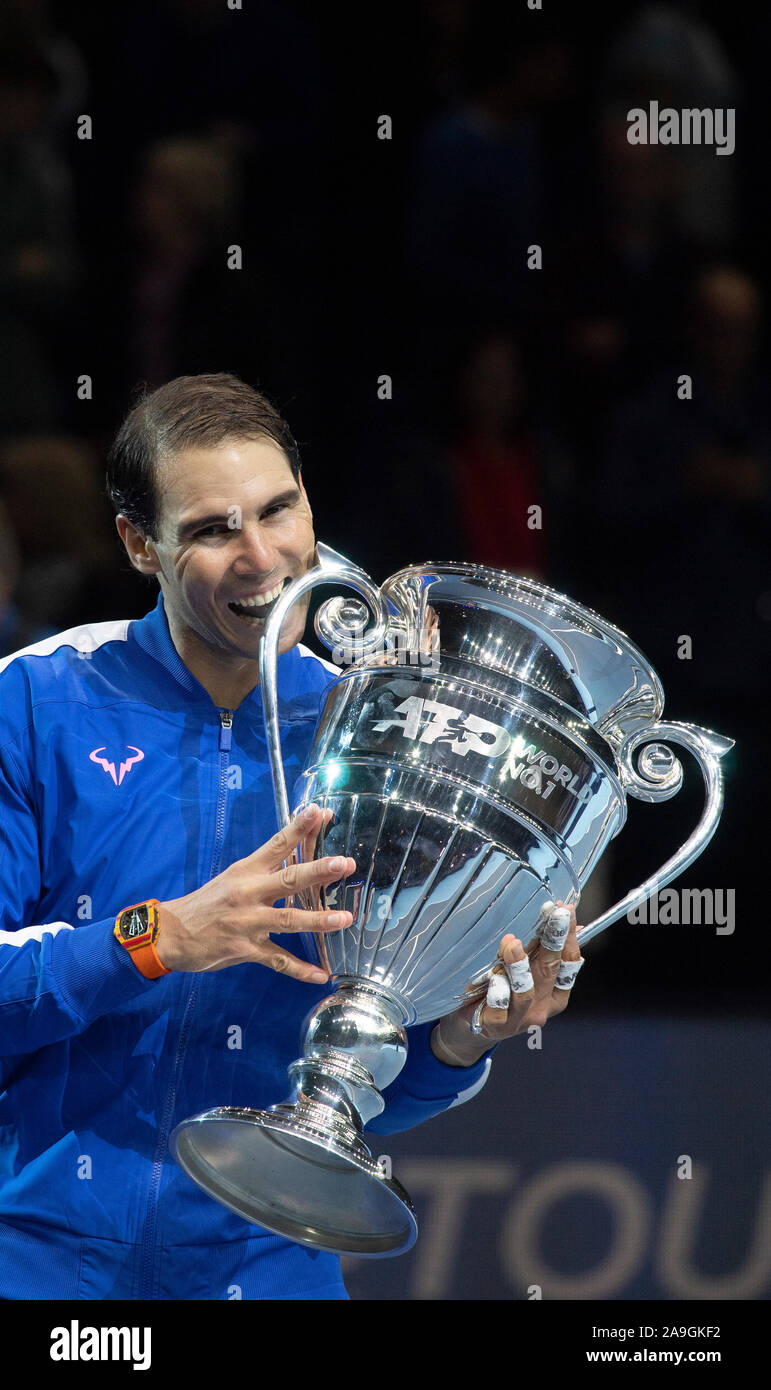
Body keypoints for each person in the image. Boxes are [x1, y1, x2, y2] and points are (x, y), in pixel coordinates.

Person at [0, 372, 583, 1301]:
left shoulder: (383, 730)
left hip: (269, 1268)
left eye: (280, 510)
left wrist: (463, 1039)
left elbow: (372, 1093)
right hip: (40, 1265)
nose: (262, 557)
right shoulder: (38, 700)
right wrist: (154, 940)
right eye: (212, 529)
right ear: (138, 546)